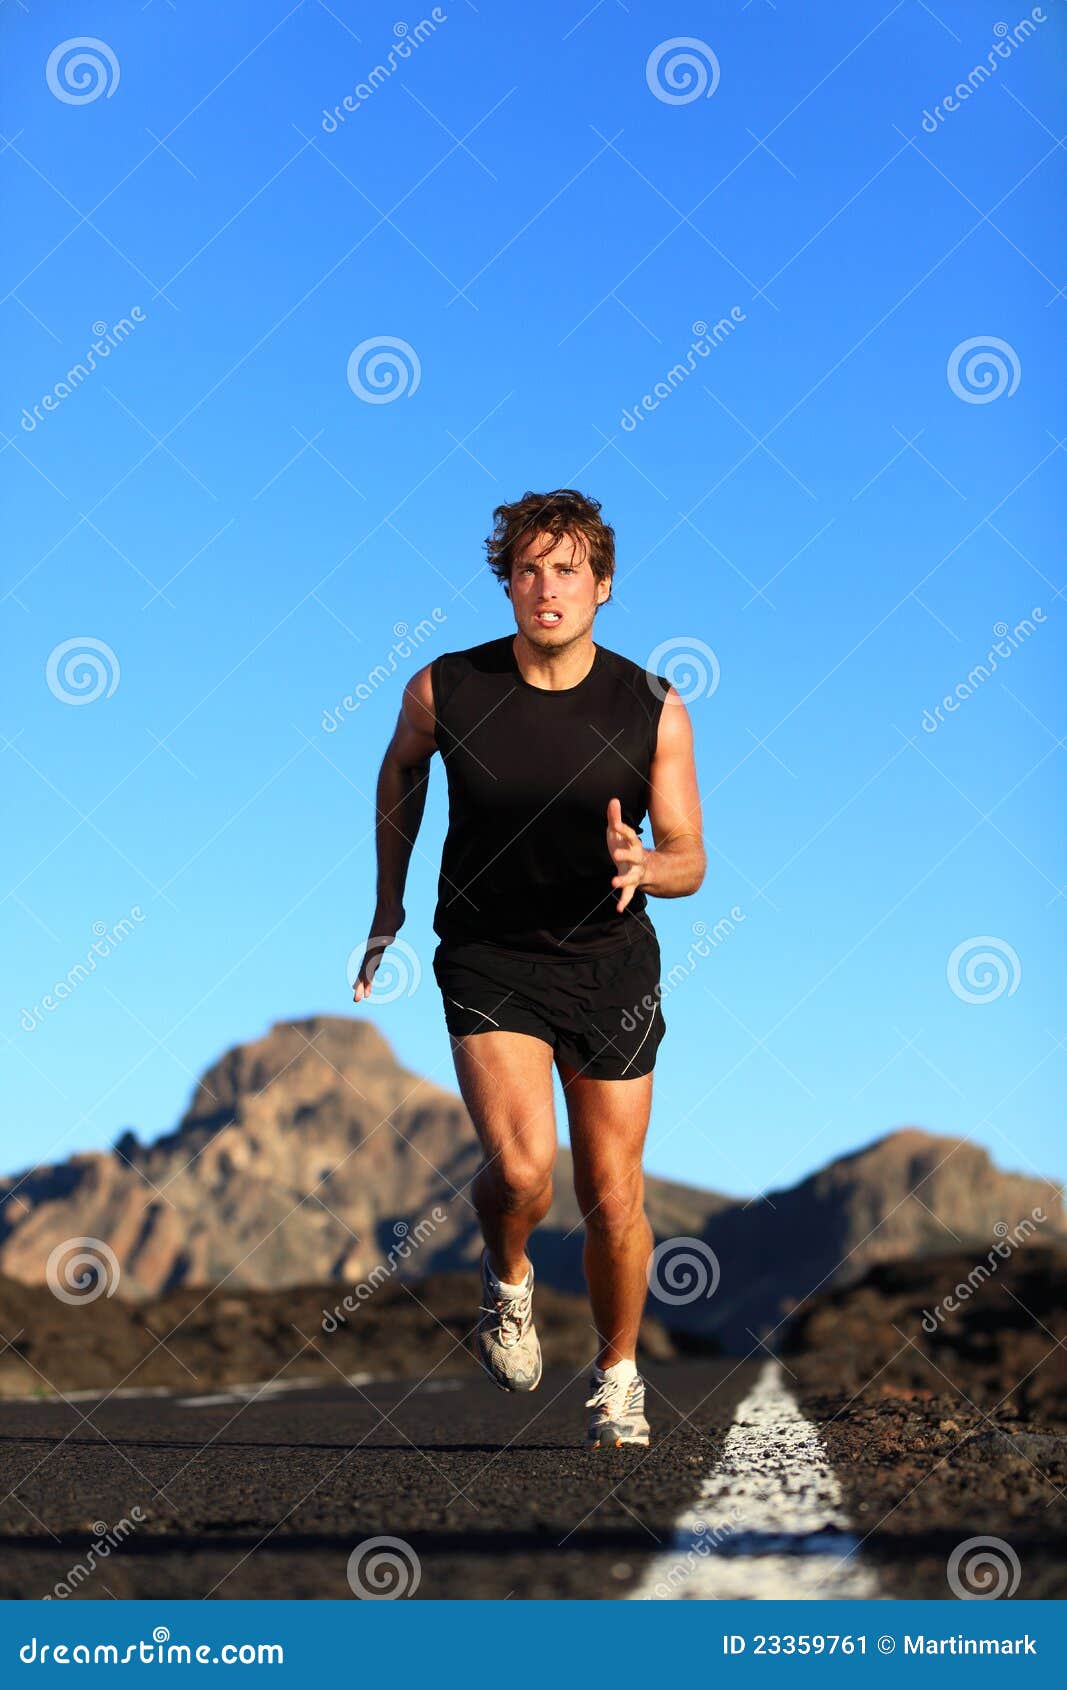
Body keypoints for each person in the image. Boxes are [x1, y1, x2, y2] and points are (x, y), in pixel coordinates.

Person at [353, 489, 705, 1449]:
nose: (546, 588)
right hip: (488, 953)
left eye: (566, 570)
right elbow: (399, 775)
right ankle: (508, 1280)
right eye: (527, 569)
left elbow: (689, 855)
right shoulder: (446, 689)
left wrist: (647, 866)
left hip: (610, 966)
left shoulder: (650, 706)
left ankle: (618, 1375)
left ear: (602, 585)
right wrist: (388, 904)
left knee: (613, 1193)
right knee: (517, 1170)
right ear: (505, 581)